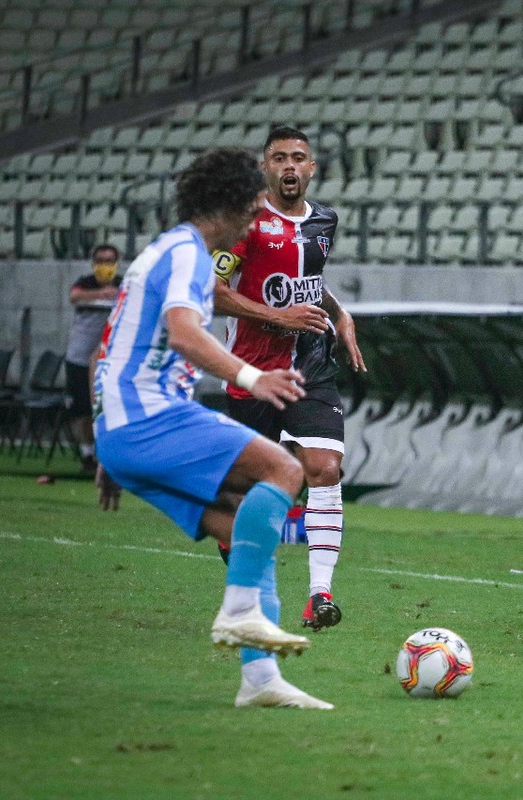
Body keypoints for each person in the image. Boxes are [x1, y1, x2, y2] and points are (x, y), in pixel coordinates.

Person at [93, 147, 332, 709]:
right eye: (250, 208)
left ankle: (261, 681)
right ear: (226, 204)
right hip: (151, 417)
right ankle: (240, 613)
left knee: (247, 524)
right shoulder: (187, 254)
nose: (256, 219)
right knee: (283, 468)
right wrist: (255, 377)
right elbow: (184, 334)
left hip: (126, 429)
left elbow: (109, 348)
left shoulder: (165, 251)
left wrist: (107, 445)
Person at [212, 125, 365, 632]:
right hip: (253, 372)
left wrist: (339, 313)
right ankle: (242, 568)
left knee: (324, 468)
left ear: (313, 167)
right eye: (280, 158)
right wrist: (279, 319)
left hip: (311, 364)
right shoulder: (245, 222)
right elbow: (212, 291)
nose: (290, 166)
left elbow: (310, 285)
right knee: (246, 493)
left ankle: (320, 595)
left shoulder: (325, 220)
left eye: (299, 157)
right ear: (266, 167)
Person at [65, 244, 122, 472]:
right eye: (100, 260)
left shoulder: (123, 285)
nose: (104, 266)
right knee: (81, 410)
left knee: (107, 407)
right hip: (79, 357)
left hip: (109, 360)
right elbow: (74, 296)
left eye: (109, 260)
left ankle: (106, 456)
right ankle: (86, 454)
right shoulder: (85, 283)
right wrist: (100, 294)